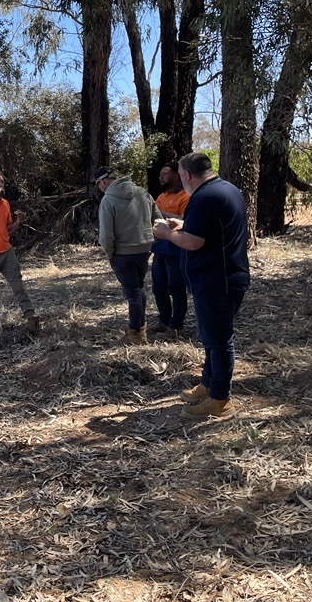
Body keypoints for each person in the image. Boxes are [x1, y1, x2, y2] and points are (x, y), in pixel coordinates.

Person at [153, 152, 250, 418]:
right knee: (211, 337)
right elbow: (210, 229)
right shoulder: (226, 189)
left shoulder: (204, 197)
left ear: (185, 175)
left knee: (218, 340)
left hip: (217, 279)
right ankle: (208, 385)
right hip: (225, 276)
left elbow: (194, 242)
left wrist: (166, 234)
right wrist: (183, 224)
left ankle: (220, 399)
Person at [0, 170, 42, 340]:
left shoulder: (5, 204)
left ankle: (32, 321)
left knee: (19, 286)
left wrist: (18, 221)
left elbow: (7, 229)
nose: (1, 185)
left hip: (6, 252)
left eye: (2, 182)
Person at [94, 166, 160, 344]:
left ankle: (134, 333)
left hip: (122, 253)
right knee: (139, 289)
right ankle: (142, 330)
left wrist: (109, 253)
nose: (99, 188)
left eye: (98, 184)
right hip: (144, 250)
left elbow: (106, 235)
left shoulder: (108, 200)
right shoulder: (143, 193)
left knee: (132, 293)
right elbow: (158, 219)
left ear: (102, 182)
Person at [151, 162, 190, 337]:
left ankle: (177, 326)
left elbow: (185, 220)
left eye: (165, 173)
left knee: (176, 287)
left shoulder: (185, 197)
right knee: (158, 288)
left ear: (176, 175)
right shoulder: (161, 196)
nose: (161, 177)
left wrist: (161, 214)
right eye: (160, 174)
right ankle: (164, 321)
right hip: (159, 248)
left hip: (176, 249)